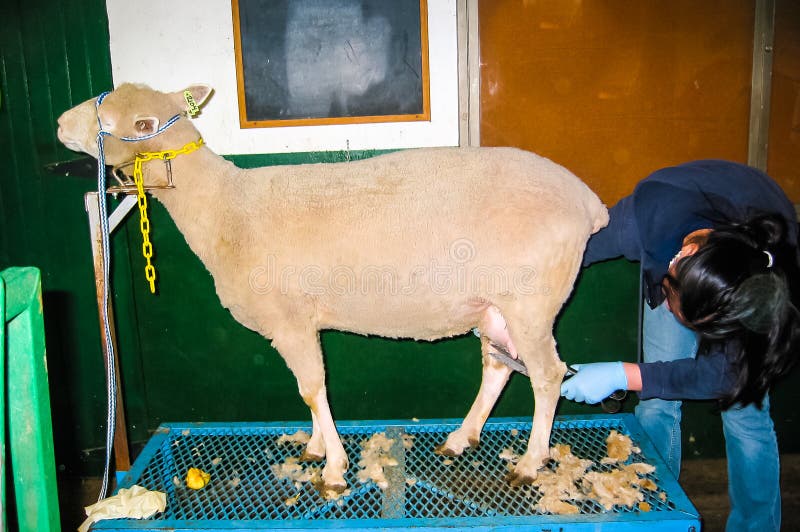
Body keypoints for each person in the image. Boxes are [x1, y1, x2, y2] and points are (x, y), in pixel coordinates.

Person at [560, 160, 800, 531]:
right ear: (680, 258)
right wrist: (513, 307)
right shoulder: (640, 224)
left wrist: (623, 373)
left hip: (736, 274)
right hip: (678, 239)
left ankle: (756, 526)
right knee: (656, 403)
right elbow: (568, 252)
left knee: (746, 414)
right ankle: (653, 514)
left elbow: (728, 374)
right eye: (675, 306)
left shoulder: (764, 282)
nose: (676, 321)